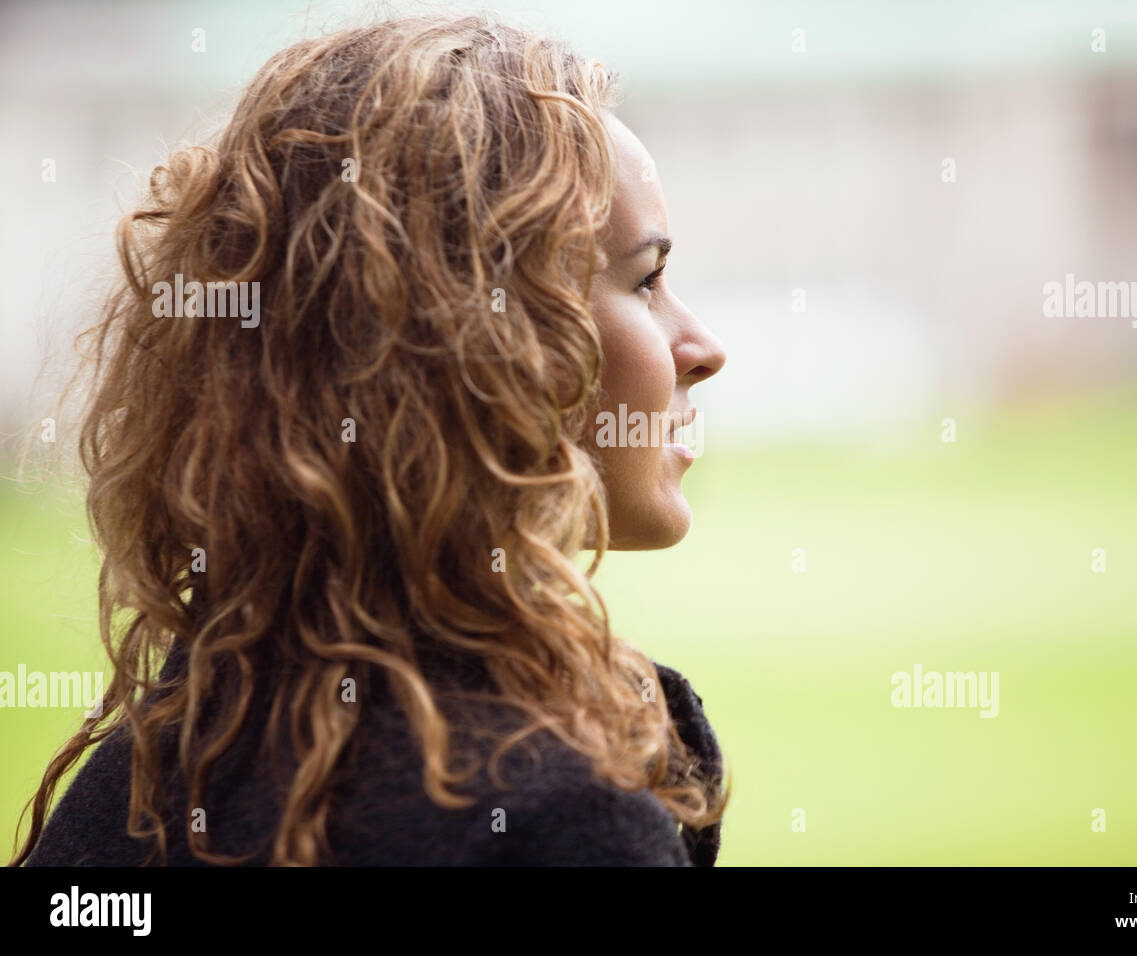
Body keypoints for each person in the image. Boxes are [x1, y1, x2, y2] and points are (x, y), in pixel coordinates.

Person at [13, 12, 729, 867]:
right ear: (476, 346)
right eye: (647, 281)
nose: (704, 347)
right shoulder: (552, 821)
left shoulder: (137, 786)